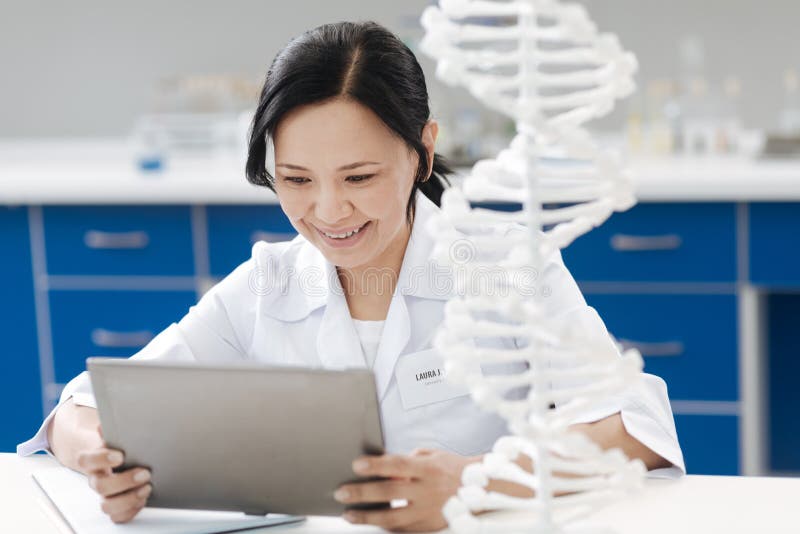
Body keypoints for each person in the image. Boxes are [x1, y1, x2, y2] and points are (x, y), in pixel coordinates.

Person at [18, 20, 684, 532]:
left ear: (423, 151)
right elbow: (83, 407)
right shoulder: (267, 286)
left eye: (359, 178)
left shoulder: (506, 268)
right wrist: (101, 459)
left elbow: (636, 421)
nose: (329, 213)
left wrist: (477, 482)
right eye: (297, 181)